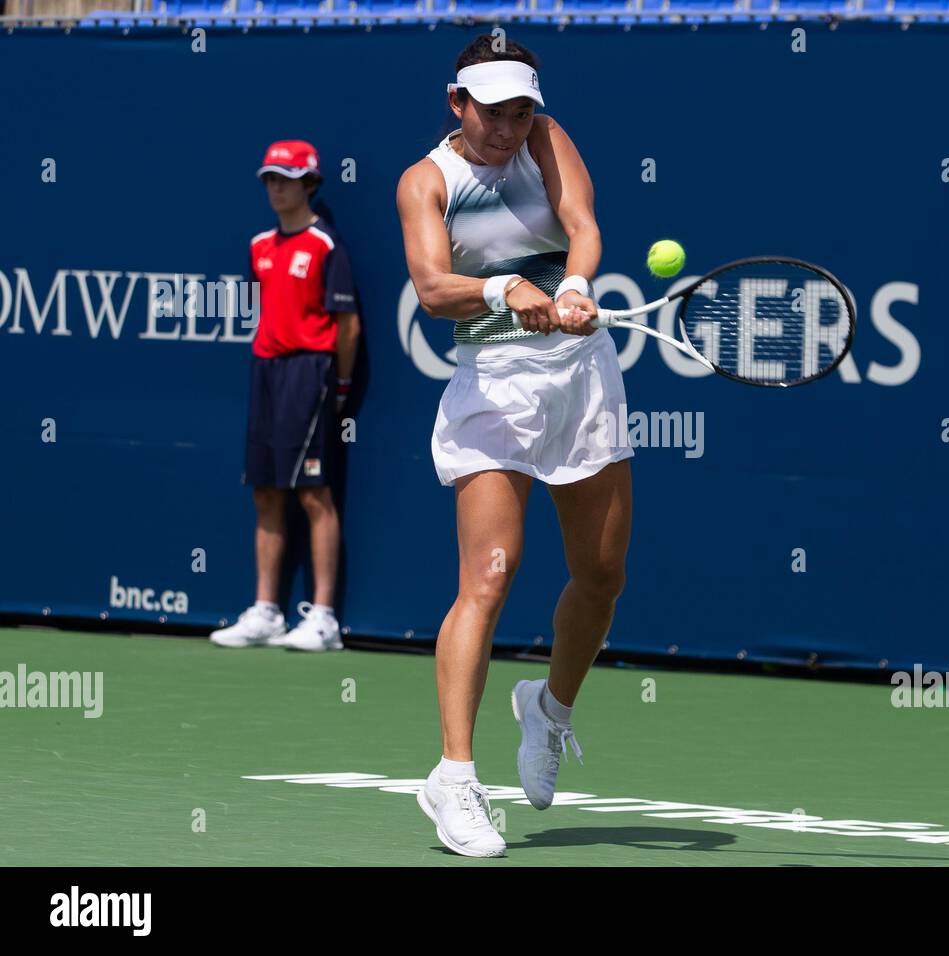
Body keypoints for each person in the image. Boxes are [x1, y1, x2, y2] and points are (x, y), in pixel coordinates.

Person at [397, 36, 633, 857]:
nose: (505, 126)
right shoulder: (426, 182)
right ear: (455, 102)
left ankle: (549, 709)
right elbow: (433, 289)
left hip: (582, 379)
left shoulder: (544, 138)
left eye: (518, 109)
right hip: (495, 389)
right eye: (489, 110)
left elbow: (582, 226)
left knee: (601, 577)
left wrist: (572, 284)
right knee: (488, 579)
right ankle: (455, 779)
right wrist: (504, 286)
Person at [210, 140, 361, 653]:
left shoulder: (325, 245)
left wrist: (339, 385)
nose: (276, 188)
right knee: (266, 491)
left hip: (309, 373)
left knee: (314, 493)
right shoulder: (259, 246)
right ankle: (266, 610)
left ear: (309, 184)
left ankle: (322, 617)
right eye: (270, 179)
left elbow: (348, 325)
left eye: (285, 179)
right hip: (266, 373)